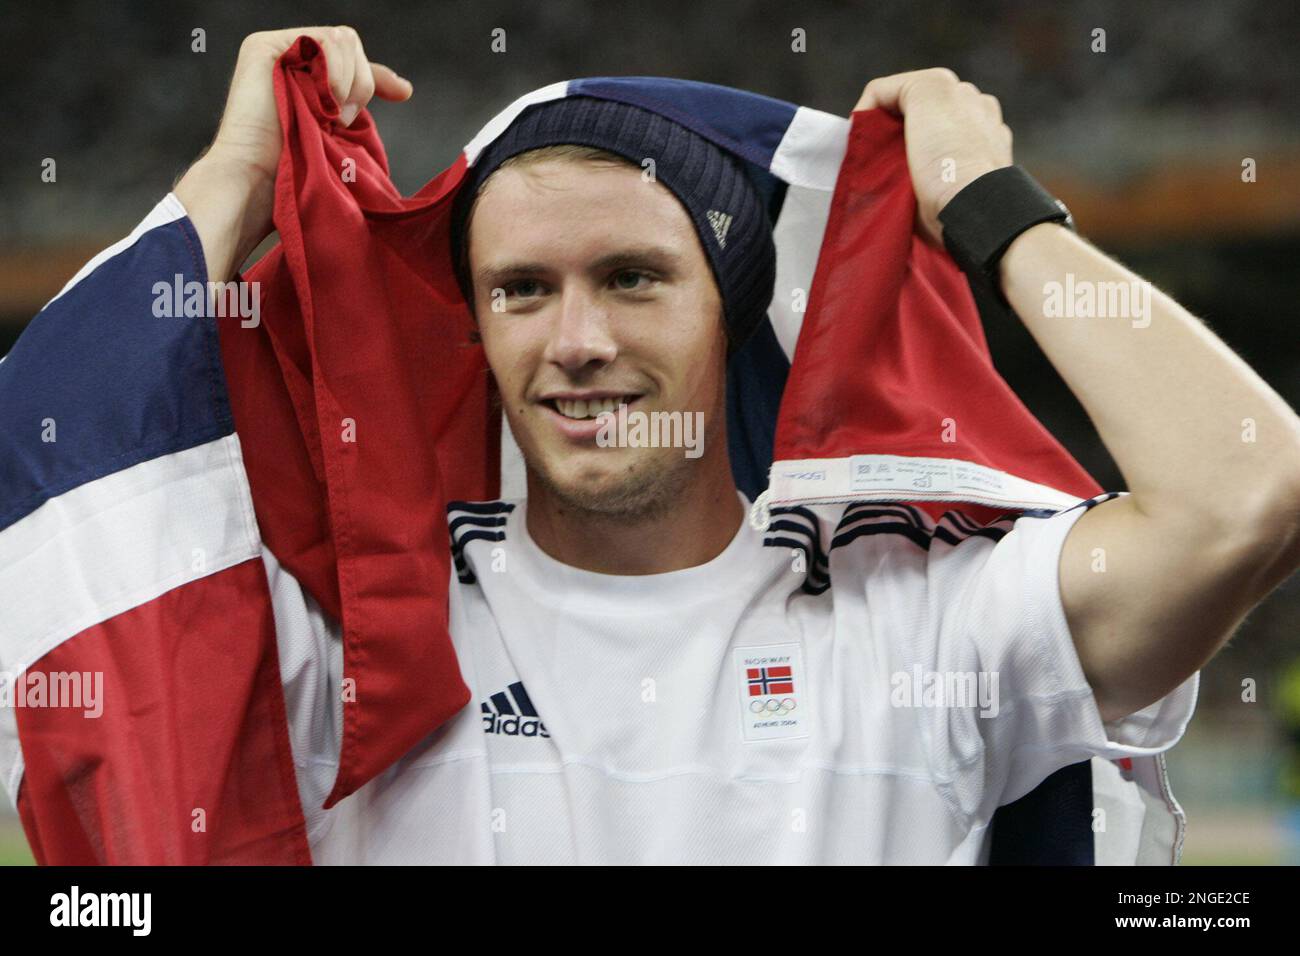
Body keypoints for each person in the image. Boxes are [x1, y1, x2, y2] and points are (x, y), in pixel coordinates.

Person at [13, 25, 1300, 864]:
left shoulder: (926, 621)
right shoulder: (361, 634)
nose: (572, 339)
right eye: (520, 289)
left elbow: (1249, 488)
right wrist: (236, 173)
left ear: (726, 310)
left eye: (631, 278)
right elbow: (57, 486)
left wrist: (986, 206)